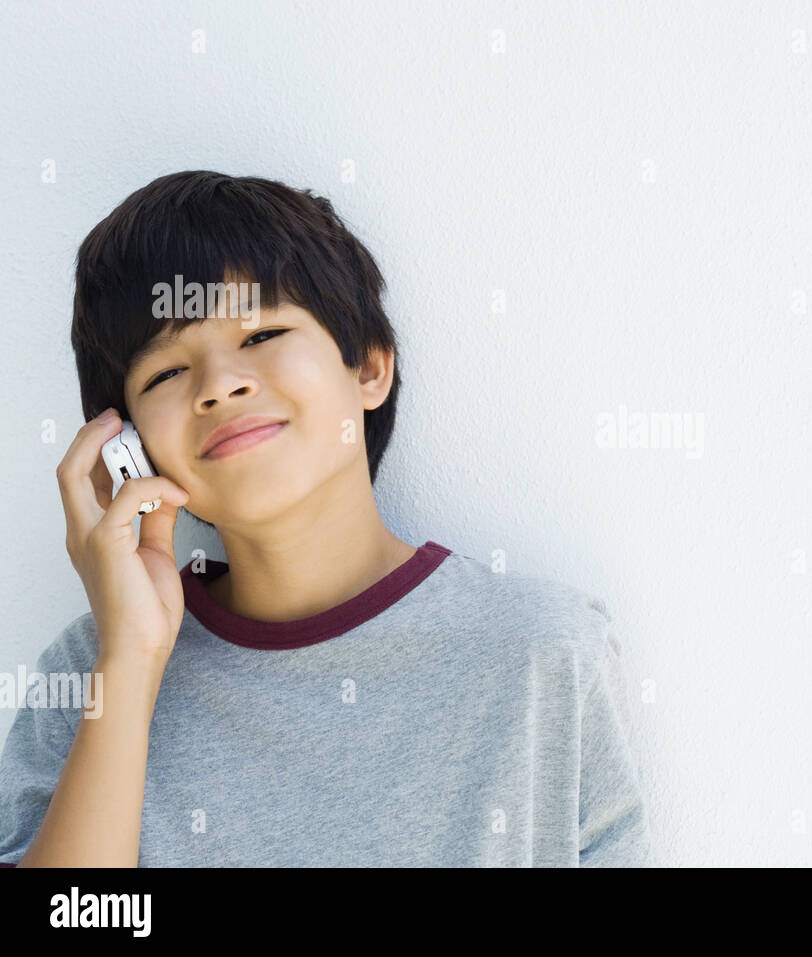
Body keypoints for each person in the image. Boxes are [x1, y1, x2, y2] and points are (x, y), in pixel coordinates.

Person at [0, 171, 653, 867]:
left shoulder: (543, 651)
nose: (221, 385)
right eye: (166, 372)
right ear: (127, 450)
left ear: (369, 366)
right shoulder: (89, 671)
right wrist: (129, 662)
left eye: (263, 333)